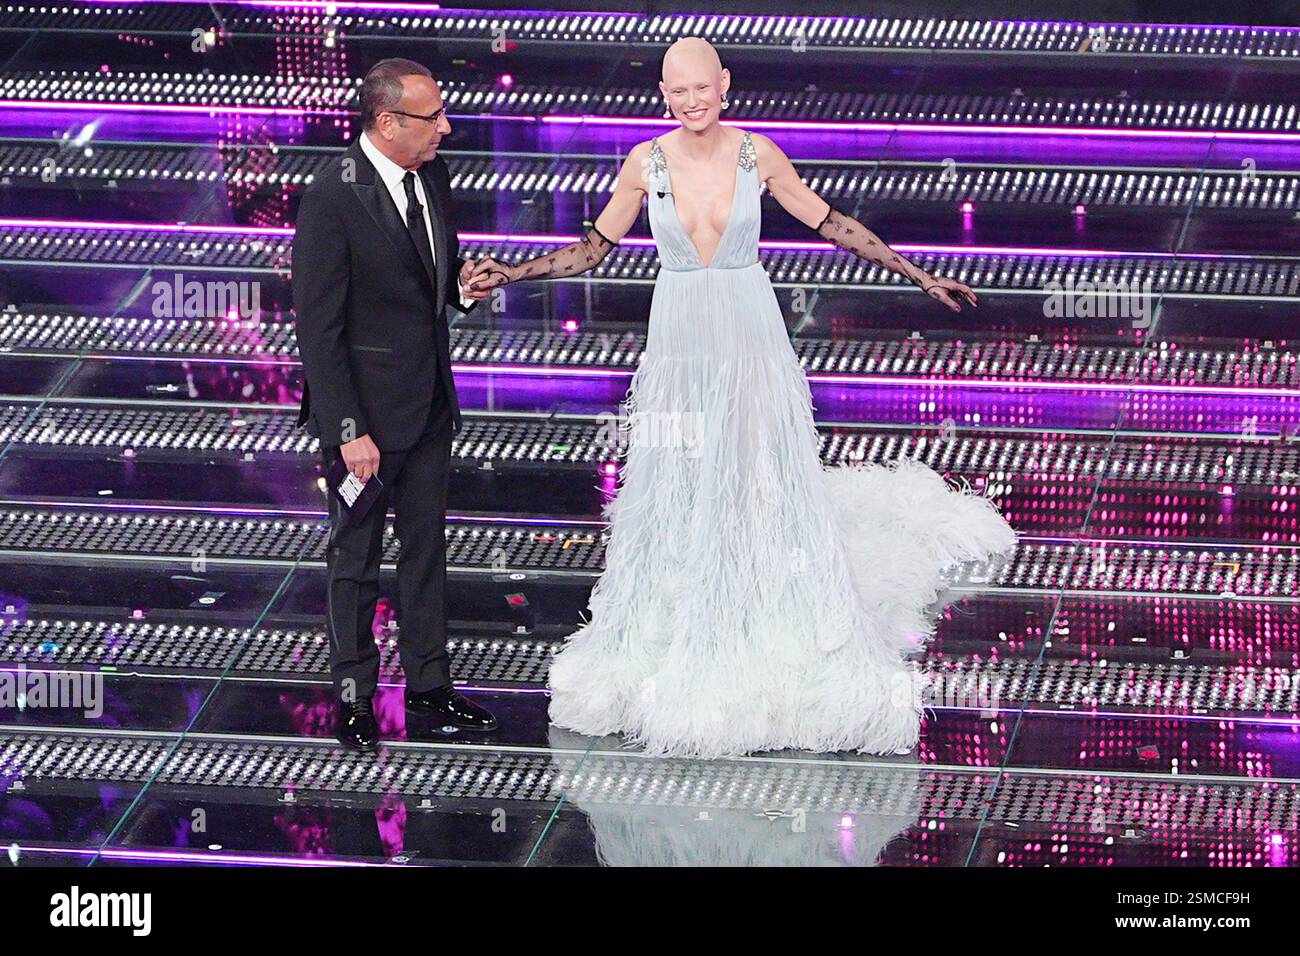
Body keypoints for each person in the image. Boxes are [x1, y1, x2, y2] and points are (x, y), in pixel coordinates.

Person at [467, 38, 1017, 759]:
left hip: (749, 335)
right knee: (677, 476)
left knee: (757, 477)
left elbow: (832, 224)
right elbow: (594, 248)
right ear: (662, 93)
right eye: (676, 90)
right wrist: (508, 273)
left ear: (725, 84)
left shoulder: (760, 155)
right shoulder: (646, 161)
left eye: (701, 86)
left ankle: (767, 616)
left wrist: (919, 276)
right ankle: (680, 620)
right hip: (679, 342)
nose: (691, 100)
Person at [292, 57, 498, 752]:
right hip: (366, 424)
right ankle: (353, 699)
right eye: (431, 116)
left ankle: (430, 689)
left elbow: (431, 284)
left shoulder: (431, 174)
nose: (445, 126)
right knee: (355, 560)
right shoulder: (332, 196)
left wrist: (465, 289)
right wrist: (347, 429)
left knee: (426, 551)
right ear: (386, 122)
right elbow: (318, 330)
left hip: (430, 404)